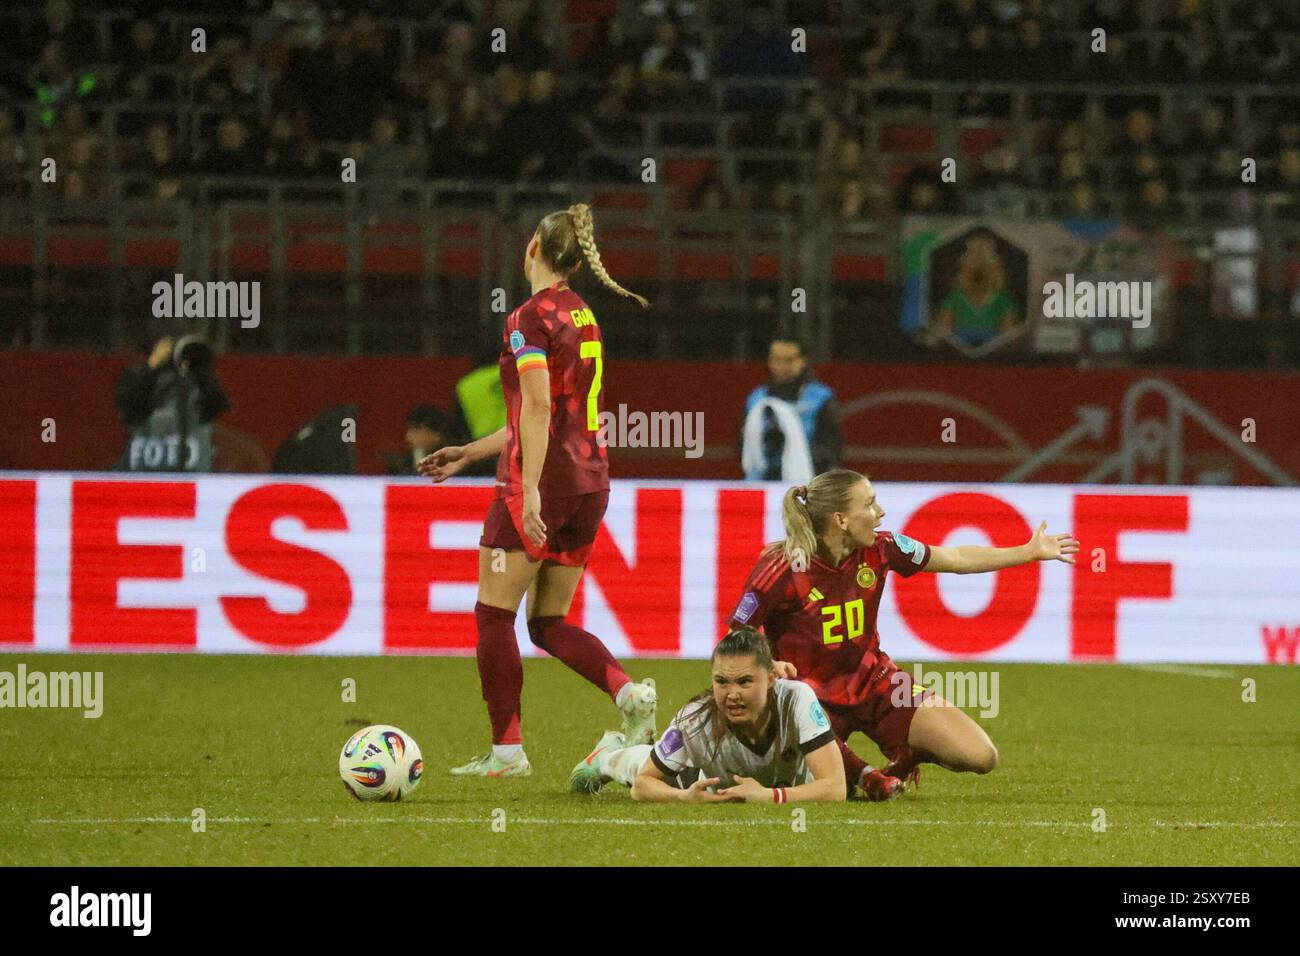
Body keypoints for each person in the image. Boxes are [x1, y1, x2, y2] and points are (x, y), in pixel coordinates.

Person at [418, 203, 655, 778]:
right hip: (591, 481)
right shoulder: (583, 314)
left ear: (533, 248)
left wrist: (525, 494)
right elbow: (545, 412)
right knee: (548, 622)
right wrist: (470, 452)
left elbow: (541, 409)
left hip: (542, 483)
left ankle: (506, 754)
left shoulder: (526, 317)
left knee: (493, 615)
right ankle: (628, 695)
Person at [726, 468, 1079, 798]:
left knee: (980, 756)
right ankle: (867, 777)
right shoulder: (784, 566)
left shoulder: (883, 548)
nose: (880, 512)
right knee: (799, 777)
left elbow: (955, 557)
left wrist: (1028, 552)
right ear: (841, 520)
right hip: (808, 700)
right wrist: (770, 665)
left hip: (875, 683)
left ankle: (902, 754)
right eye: (869, 504)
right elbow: (737, 635)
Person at [569, 627, 846, 804]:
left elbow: (835, 788)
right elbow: (642, 785)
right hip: (699, 778)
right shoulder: (694, 719)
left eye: (745, 682)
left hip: (761, 783)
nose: (731, 694)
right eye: (722, 682)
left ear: (772, 678)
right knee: (637, 764)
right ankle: (606, 755)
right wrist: (683, 798)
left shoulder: (796, 699)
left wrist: (769, 796)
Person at [114, 334, 230, 472]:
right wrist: (153, 365)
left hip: (192, 475)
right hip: (146, 474)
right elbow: (130, 404)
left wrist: (201, 367)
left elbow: (218, 405)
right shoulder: (138, 376)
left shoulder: (199, 384)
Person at [739, 337, 842, 483]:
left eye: (789, 360)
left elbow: (832, 447)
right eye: (777, 359)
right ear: (769, 361)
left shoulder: (821, 398)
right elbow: (741, 446)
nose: (782, 366)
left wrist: (794, 455)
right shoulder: (756, 399)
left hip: (810, 482)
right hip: (762, 480)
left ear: (803, 361)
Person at [384, 404, 456, 476]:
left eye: (415, 429)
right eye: (409, 429)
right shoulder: (398, 468)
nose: (408, 437)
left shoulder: (456, 467)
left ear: (437, 435)